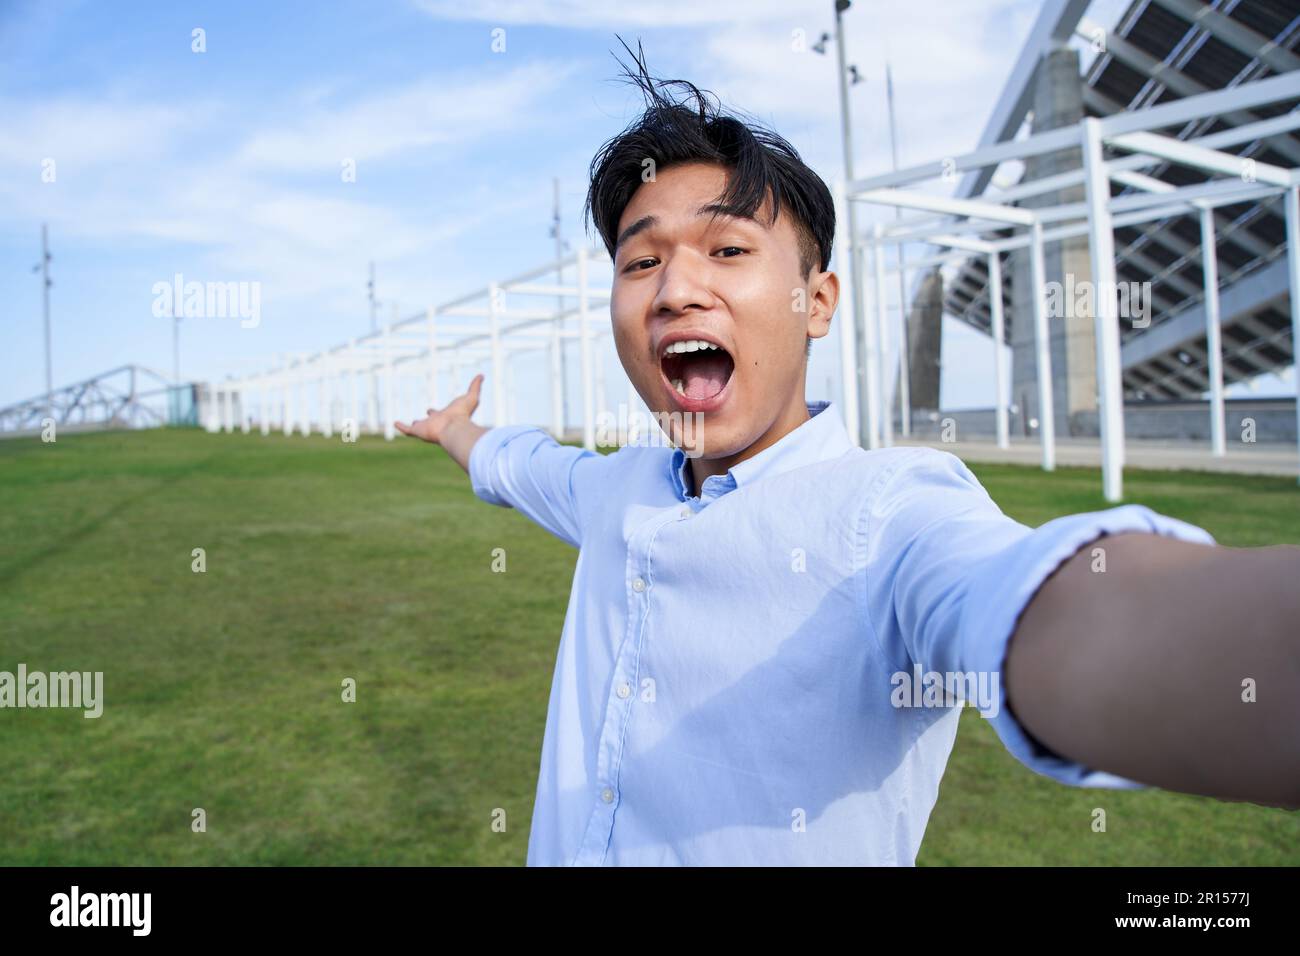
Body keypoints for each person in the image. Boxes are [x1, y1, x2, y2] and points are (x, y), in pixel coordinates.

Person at [396, 41, 1299, 865]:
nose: (675, 289)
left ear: (816, 302)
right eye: (641, 263)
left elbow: (1037, 601)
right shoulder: (615, 488)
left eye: (728, 247)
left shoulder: (889, 515)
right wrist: (455, 431)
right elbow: (517, 464)